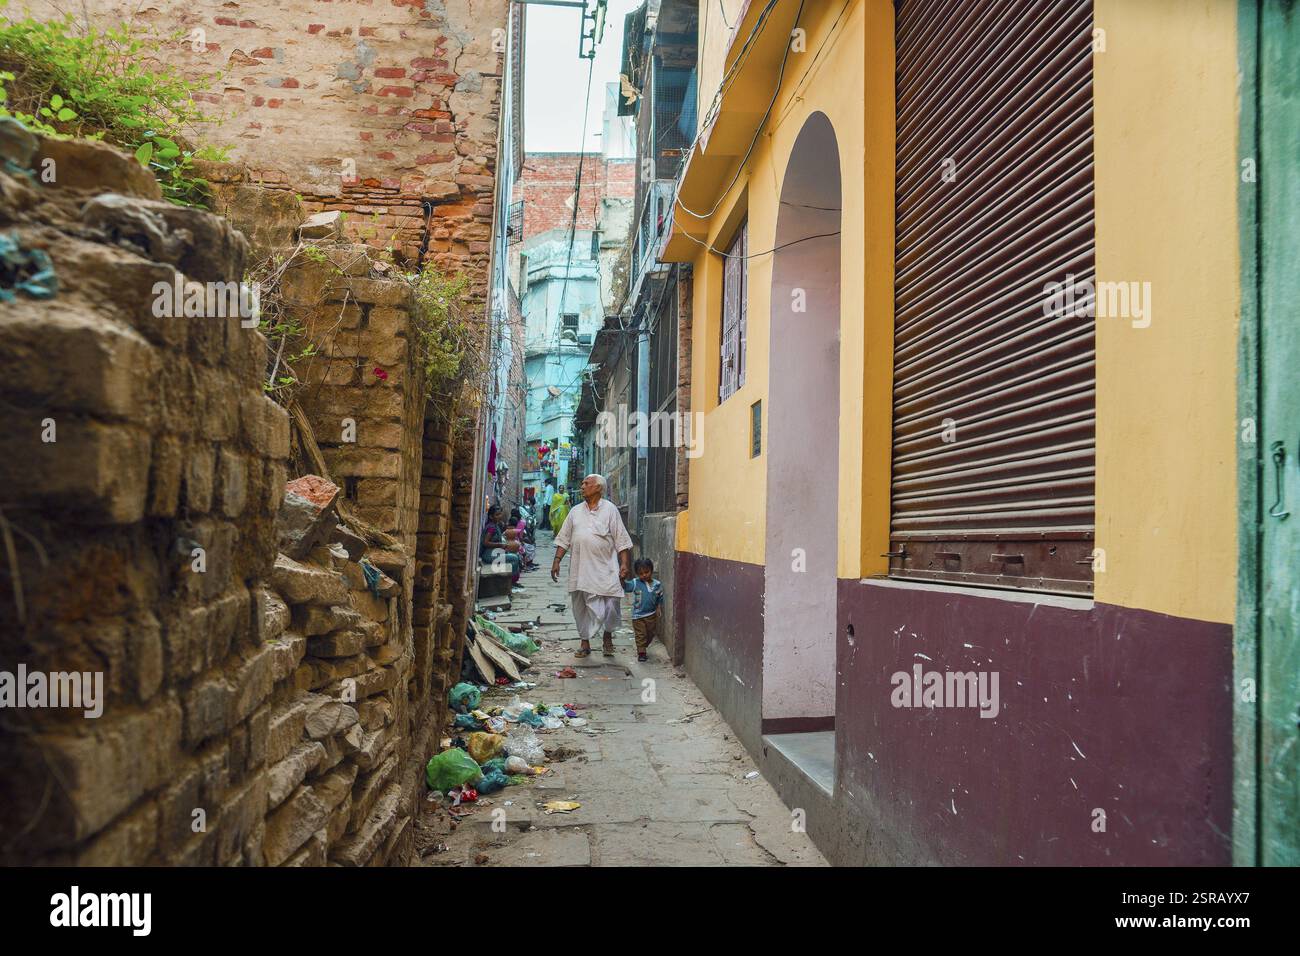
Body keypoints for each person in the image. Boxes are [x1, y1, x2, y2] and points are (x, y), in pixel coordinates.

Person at [552, 474, 632, 658]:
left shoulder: (610, 510)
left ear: (598, 488)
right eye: (582, 483)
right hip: (581, 568)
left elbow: (621, 539)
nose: (582, 486)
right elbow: (564, 538)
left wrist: (625, 564)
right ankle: (585, 642)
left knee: (612, 603)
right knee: (581, 605)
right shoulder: (575, 511)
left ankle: (607, 635)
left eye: (586, 483)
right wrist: (557, 560)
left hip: (606, 567)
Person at [622, 557, 664, 663]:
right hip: (638, 616)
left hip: (651, 614)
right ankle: (641, 653)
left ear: (651, 570)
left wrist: (659, 607)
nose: (644, 575)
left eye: (646, 572)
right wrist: (622, 579)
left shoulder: (657, 584)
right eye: (641, 573)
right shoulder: (635, 583)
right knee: (641, 634)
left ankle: (642, 646)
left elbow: (660, 597)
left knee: (650, 634)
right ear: (637, 574)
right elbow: (626, 587)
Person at [481, 505, 522, 587]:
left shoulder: (496, 525)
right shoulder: (491, 527)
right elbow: (485, 542)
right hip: (489, 555)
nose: (499, 516)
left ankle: (511, 582)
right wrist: (500, 545)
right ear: (491, 516)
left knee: (517, 556)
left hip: (495, 553)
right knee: (514, 559)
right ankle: (510, 583)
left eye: (500, 514)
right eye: (497, 515)